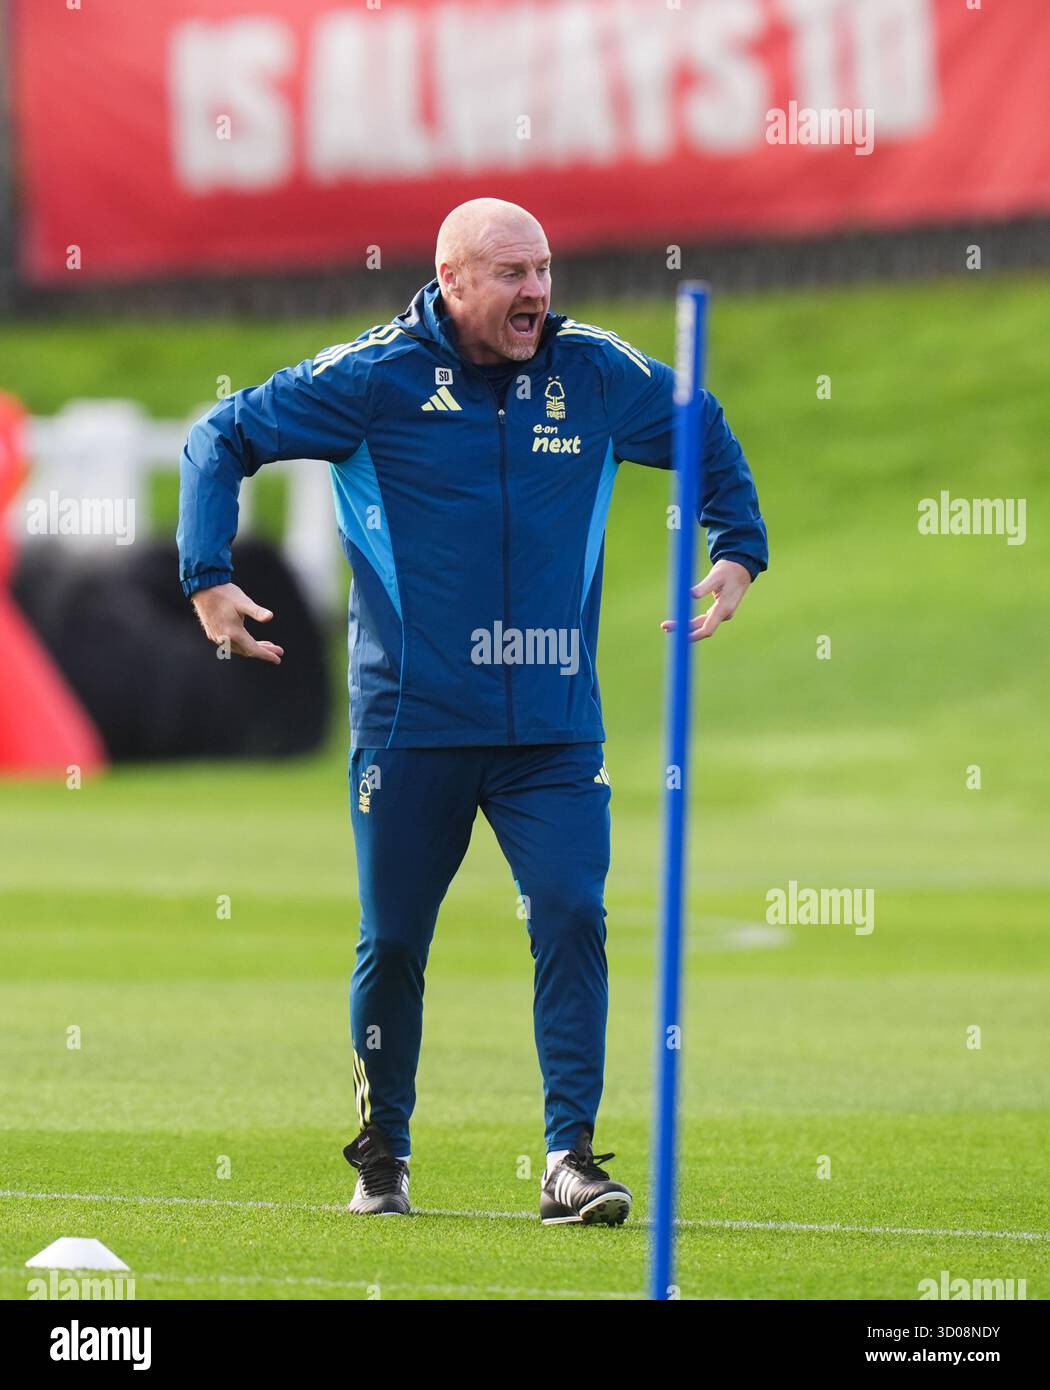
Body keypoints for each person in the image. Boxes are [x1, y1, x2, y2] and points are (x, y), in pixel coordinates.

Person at [177, 197, 768, 1226]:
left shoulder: (593, 374)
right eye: (511, 274)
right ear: (452, 281)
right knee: (396, 938)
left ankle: (569, 1158)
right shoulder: (371, 379)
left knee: (574, 911)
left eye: (543, 269)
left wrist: (736, 546)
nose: (537, 290)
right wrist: (207, 575)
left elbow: (702, 425)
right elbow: (220, 435)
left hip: (552, 726)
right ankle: (383, 1151)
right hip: (412, 725)